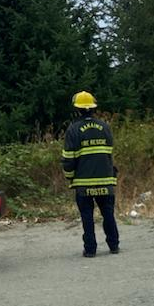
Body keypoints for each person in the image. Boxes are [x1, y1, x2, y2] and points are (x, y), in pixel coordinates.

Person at [62, 90, 119, 257]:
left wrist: (69, 176)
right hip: (106, 180)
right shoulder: (105, 127)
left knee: (87, 217)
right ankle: (114, 245)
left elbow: (68, 158)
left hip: (83, 183)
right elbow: (108, 153)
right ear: (93, 108)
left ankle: (90, 250)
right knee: (108, 214)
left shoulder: (73, 129)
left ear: (76, 109)